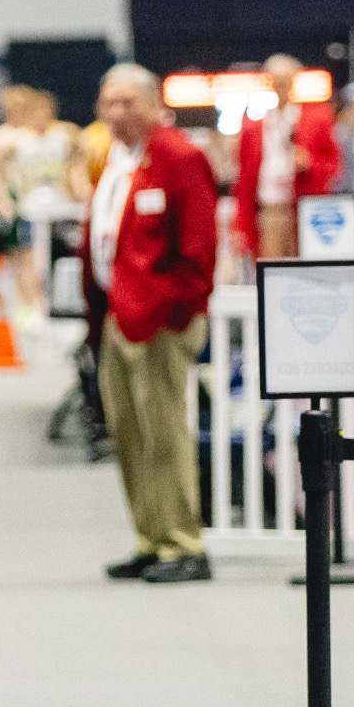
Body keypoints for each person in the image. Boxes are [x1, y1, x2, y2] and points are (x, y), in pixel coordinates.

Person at [82, 65, 218, 585]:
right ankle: (151, 539)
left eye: (128, 103)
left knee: (164, 434)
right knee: (130, 433)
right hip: (118, 315)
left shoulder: (180, 158)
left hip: (160, 318)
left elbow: (200, 250)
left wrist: (175, 311)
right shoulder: (114, 160)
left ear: (153, 105)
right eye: (109, 103)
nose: (117, 114)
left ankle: (185, 543)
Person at [231, 54, 340, 260]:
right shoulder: (253, 127)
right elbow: (244, 182)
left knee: (306, 269)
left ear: (293, 82)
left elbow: (334, 166)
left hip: (304, 211)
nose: (280, 87)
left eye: (284, 82)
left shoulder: (317, 119)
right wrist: (241, 225)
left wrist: (310, 164)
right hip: (269, 211)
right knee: (270, 270)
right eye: (276, 82)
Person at [0, 87, 77, 320]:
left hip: (57, 205)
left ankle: (52, 299)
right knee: (22, 254)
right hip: (24, 204)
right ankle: (29, 301)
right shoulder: (9, 139)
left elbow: (76, 160)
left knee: (52, 255)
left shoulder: (63, 134)